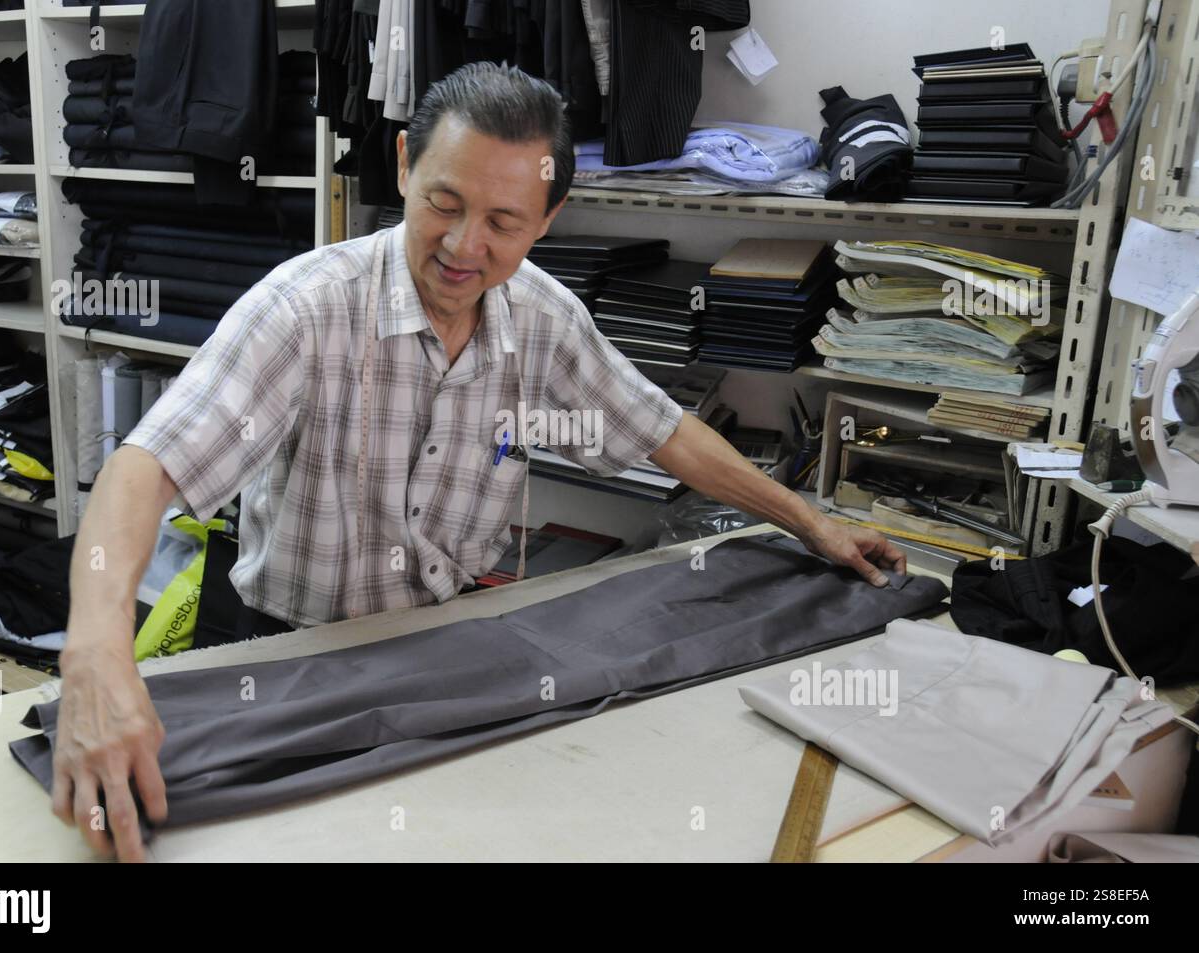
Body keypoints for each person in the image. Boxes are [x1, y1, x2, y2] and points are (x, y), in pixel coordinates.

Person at [53, 62, 905, 861]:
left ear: (549, 216)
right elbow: (148, 465)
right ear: (402, 165)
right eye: (443, 202)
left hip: (445, 652)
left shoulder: (543, 315)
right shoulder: (305, 309)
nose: (464, 247)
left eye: (503, 223)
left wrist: (812, 523)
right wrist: (95, 652)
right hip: (285, 659)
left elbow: (663, 431)